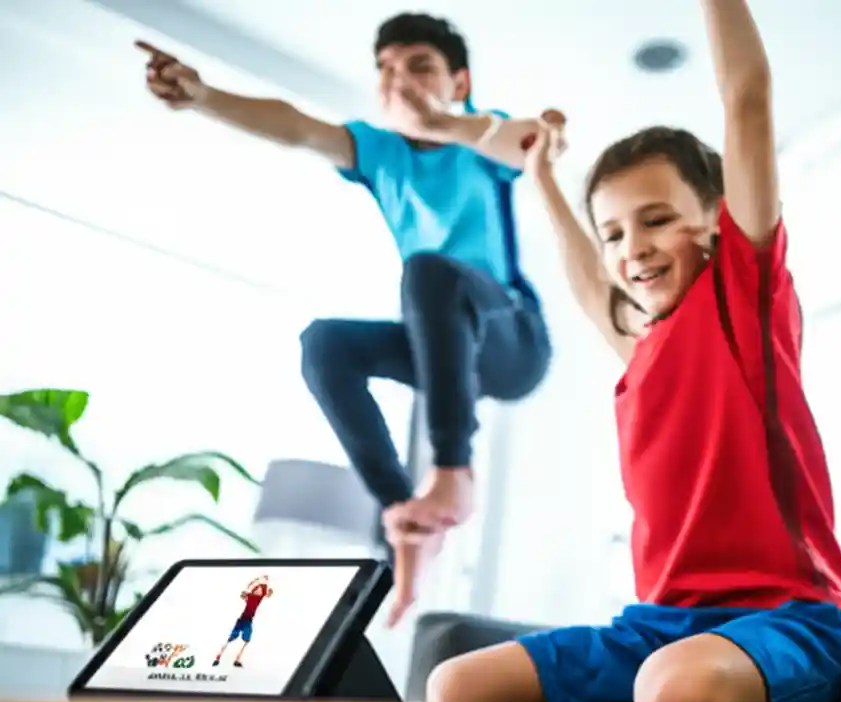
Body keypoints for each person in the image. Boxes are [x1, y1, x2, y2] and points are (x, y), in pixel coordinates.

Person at [394, 2, 841, 702]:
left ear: (717, 214)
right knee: (457, 685)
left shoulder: (742, 302)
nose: (633, 249)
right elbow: (585, 275)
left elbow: (746, 96)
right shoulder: (640, 344)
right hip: (663, 623)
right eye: (615, 233)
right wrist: (542, 176)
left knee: (676, 684)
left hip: (794, 617)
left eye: (656, 220)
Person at [135, 13, 555, 620]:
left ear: (459, 81)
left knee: (430, 271)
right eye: (385, 69)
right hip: (438, 341)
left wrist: (442, 122)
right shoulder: (378, 151)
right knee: (326, 343)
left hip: (511, 341)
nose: (398, 80)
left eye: (420, 66)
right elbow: (297, 128)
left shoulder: (478, 143)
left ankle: (454, 470)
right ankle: (404, 519)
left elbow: (530, 140)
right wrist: (201, 97)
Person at [214, 578, 273, 668]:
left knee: (245, 640)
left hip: (248, 621)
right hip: (243, 620)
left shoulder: (259, 597)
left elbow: (268, 594)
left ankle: (236, 659)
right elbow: (245, 593)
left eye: (260, 590)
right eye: (257, 590)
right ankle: (219, 656)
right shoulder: (250, 595)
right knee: (232, 638)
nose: (258, 591)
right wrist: (255, 582)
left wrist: (267, 585)